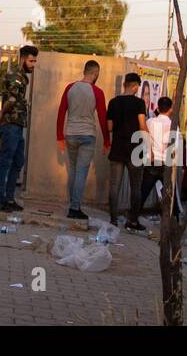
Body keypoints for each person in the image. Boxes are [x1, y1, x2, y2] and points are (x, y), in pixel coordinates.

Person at [56, 60, 108, 220]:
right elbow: (102, 117)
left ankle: (74, 204)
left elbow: (61, 112)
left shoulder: (70, 88)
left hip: (70, 134)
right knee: (81, 172)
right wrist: (107, 141)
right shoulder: (98, 92)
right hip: (87, 136)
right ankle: (74, 208)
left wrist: (60, 136)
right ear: (95, 73)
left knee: (72, 171)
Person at [0, 45, 38, 213]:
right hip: (11, 124)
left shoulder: (22, 77)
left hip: (18, 125)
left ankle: (9, 198)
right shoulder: (15, 76)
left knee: (18, 162)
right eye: (31, 61)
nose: (33, 64)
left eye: (34, 61)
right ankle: (0, 200)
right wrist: (1, 113)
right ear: (22, 59)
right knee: (5, 162)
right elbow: (11, 99)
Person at [106, 72, 148, 230]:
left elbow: (109, 127)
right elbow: (142, 125)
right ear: (136, 86)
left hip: (117, 148)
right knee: (136, 187)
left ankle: (113, 220)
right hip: (135, 150)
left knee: (114, 185)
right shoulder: (139, 103)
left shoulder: (113, 102)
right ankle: (133, 220)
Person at [138, 95, 178, 218]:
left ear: (158, 108)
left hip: (152, 162)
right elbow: (175, 148)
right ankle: (173, 218)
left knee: (143, 192)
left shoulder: (150, 122)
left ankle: (134, 216)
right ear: (171, 109)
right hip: (166, 163)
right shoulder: (173, 125)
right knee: (170, 193)